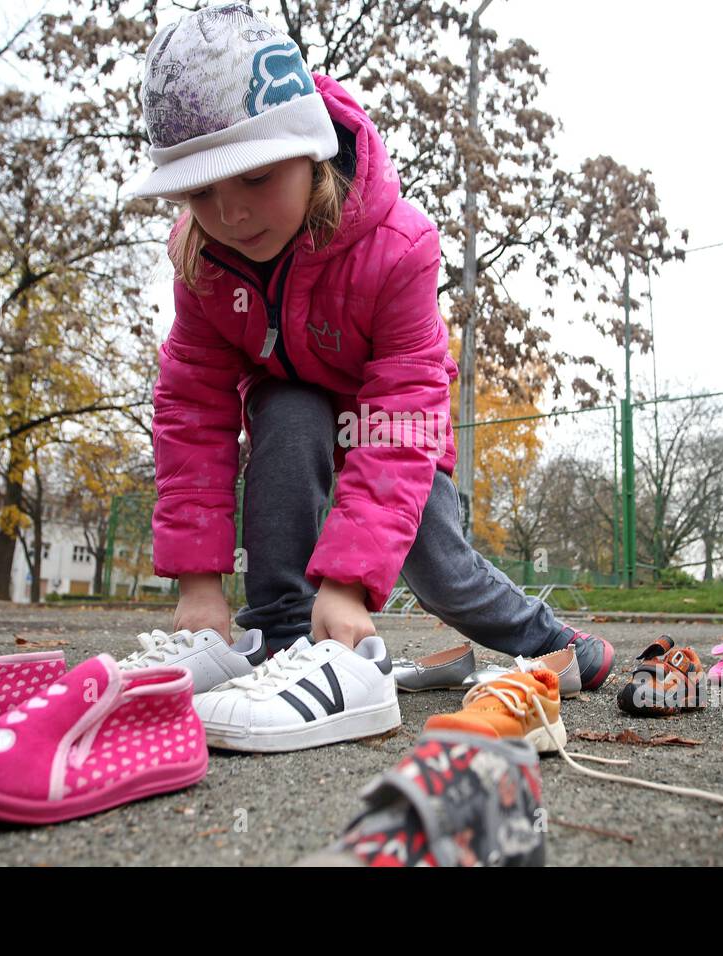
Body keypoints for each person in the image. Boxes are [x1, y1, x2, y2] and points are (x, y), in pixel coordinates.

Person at [133, 2, 614, 752]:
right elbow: (191, 411)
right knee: (286, 417)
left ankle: (557, 639)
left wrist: (351, 583)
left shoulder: (398, 247)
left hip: (395, 431)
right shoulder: (200, 264)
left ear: (311, 151)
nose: (228, 212)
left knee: (437, 569)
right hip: (300, 411)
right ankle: (284, 639)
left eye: (255, 177)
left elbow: (403, 407)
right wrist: (198, 587)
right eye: (199, 192)